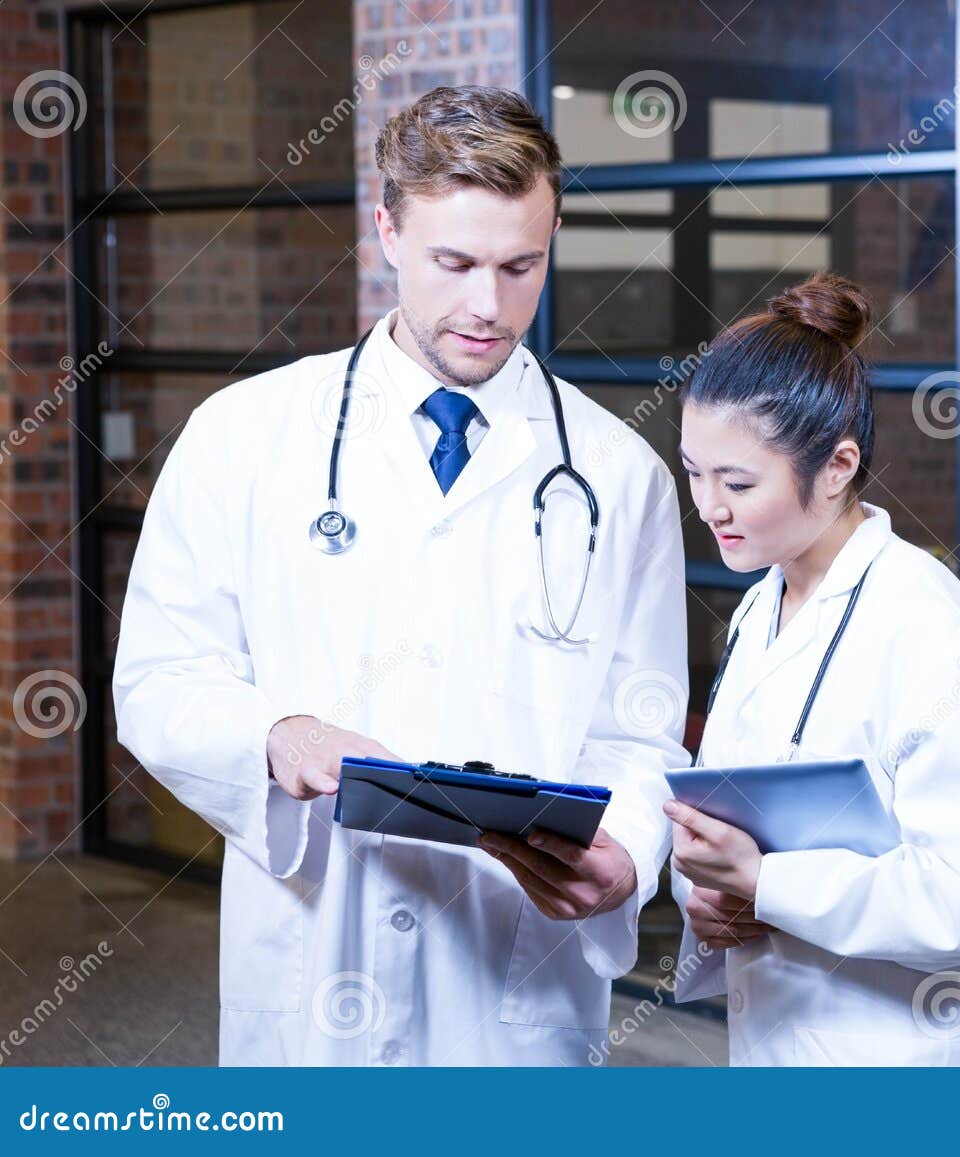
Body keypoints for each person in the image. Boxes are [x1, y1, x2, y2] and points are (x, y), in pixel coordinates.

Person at [111, 86, 687, 1066]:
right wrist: (273, 733)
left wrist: (630, 850)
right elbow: (159, 680)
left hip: (514, 984)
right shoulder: (244, 435)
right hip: (313, 951)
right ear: (385, 226)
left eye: (521, 266)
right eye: (453, 263)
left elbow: (639, 722)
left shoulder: (616, 473)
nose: (488, 306)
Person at [664, 272, 960, 1066]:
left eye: (737, 482)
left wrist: (769, 883)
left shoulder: (932, 628)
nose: (708, 507)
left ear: (836, 466)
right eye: (694, 471)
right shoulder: (760, 608)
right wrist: (707, 896)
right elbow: (725, 819)